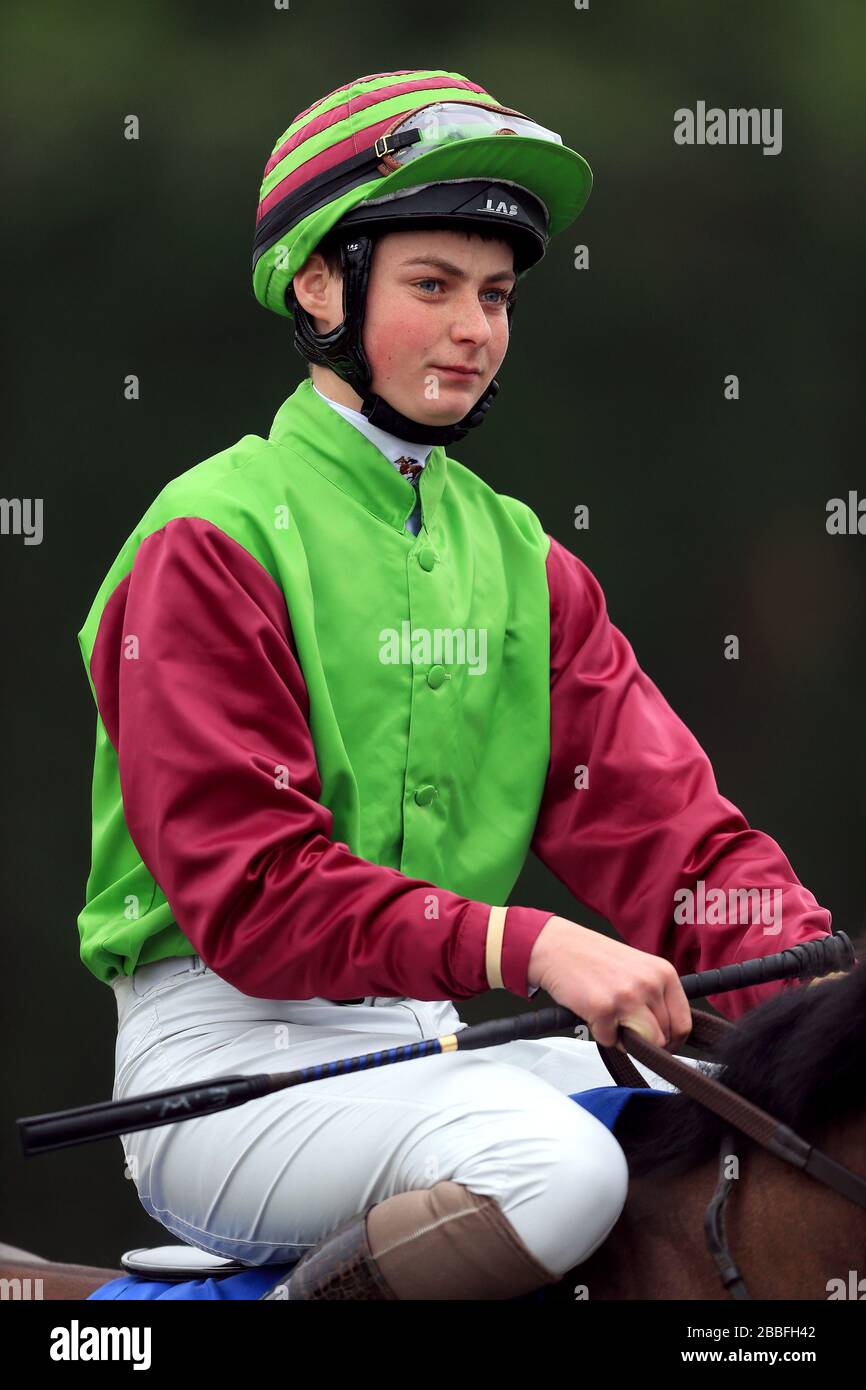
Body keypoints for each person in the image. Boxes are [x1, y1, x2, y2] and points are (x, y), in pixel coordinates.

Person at [77, 68, 832, 1300]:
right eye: (431, 286)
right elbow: (256, 896)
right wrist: (524, 940)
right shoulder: (206, 541)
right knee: (561, 1175)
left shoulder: (526, 563)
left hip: (435, 1046)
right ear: (319, 283)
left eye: (493, 295)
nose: (475, 330)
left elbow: (671, 838)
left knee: (729, 1146)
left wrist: (812, 982)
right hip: (222, 1061)